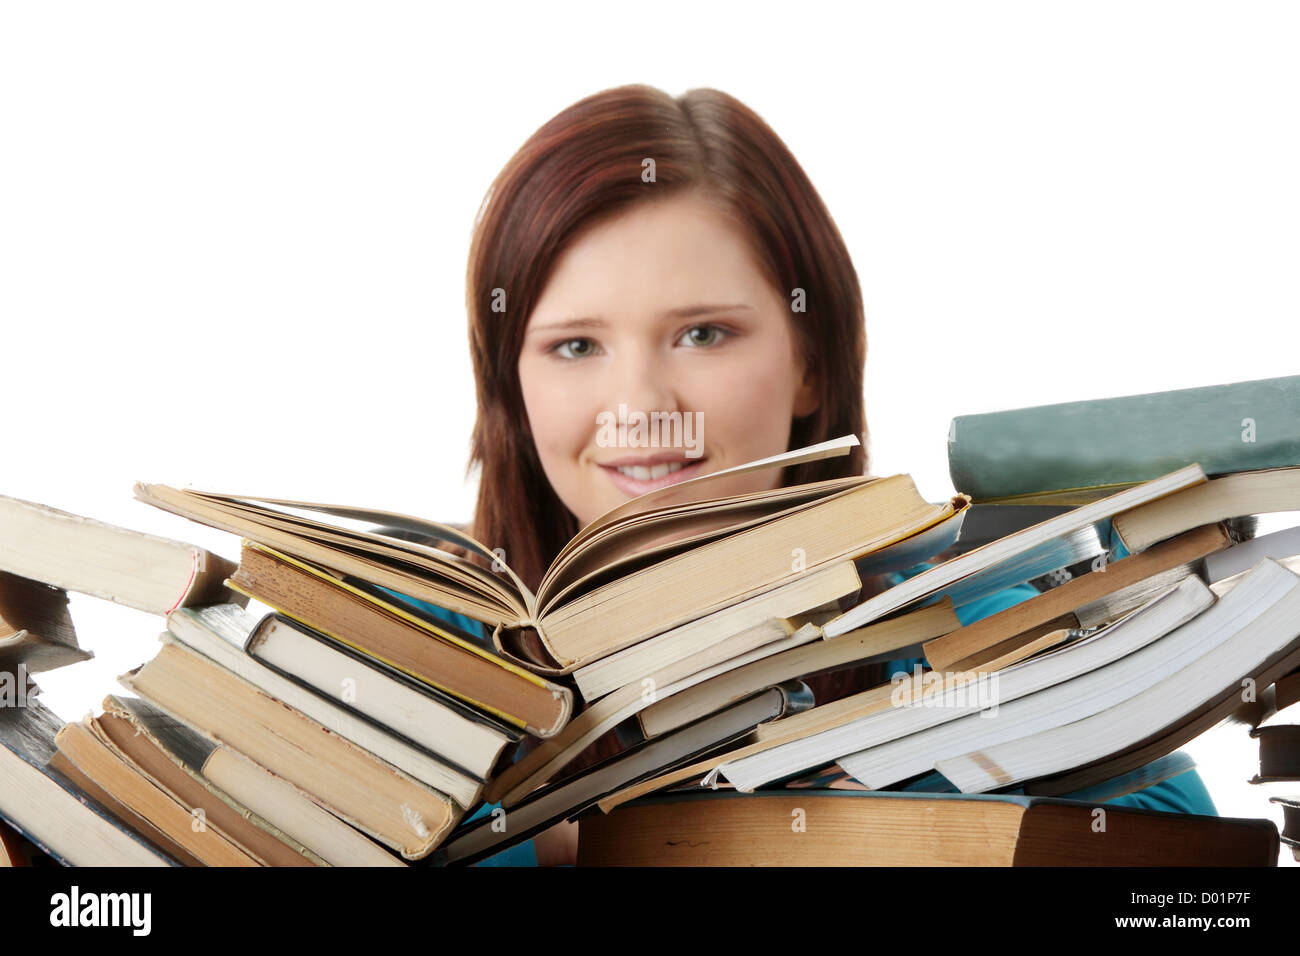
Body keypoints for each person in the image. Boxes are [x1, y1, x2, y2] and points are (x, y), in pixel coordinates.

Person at [413, 83, 1214, 865]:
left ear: (813, 367)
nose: (642, 406)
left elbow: (1185, 855)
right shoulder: (395, 653)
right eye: (576, 347)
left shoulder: (967, 632)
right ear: (509, 391)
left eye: (702, 334)